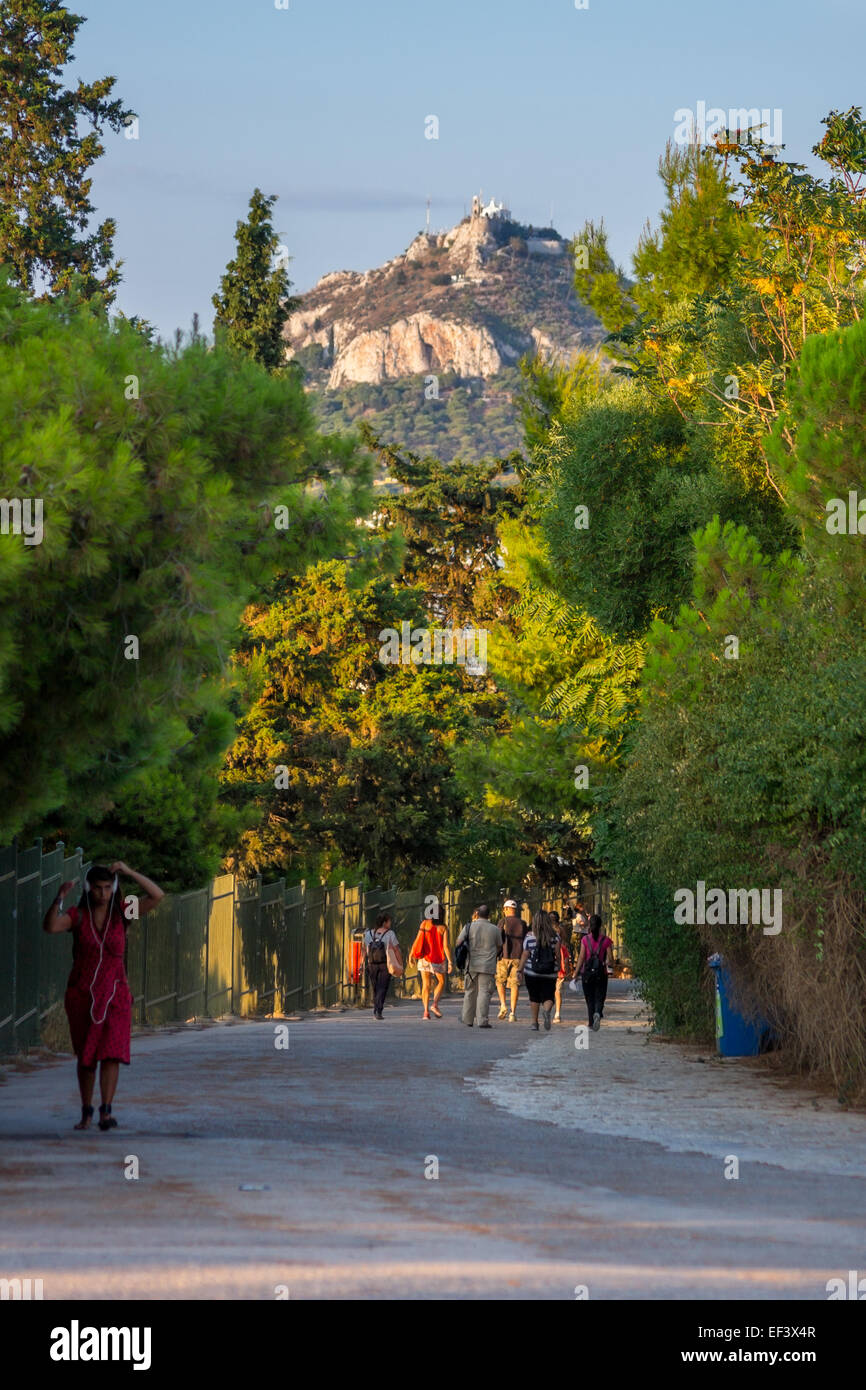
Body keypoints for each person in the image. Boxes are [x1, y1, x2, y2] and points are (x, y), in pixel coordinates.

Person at [42, 860, 164, 1131]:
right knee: (87, 1056)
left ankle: (106, 1111)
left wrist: (131, 872)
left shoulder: (122, 913)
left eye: (108, 888)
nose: (103, 894)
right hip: (83, 994)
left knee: (111, 1053)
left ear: (114, 888)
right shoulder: (78, 916)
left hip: (116, 993)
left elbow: (156, 896)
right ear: (88, 888)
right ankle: (86, 1111)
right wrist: (59, 898)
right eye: (97, 888)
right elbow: (50, 926)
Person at [456, 904, 502, 1028]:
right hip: (487, 965)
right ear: (489, 915)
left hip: (471, 964)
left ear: (477, 914)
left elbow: (458, 942)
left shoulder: (468, 927)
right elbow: (499, 946)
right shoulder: (495, 929)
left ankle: (467, 1019)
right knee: (484, 992)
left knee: (470, 991)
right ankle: (482, 1020)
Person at [518, 910, 560, 1031]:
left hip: (532, 972)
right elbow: (557, 954)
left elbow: (525, 954)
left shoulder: (529, 936)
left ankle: (534, 1023)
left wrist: (519, 970)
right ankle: (546, 1011)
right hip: (550, 971)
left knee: (534, 997)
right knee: (549, 995)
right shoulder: (555, 936)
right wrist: (561, 967)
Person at [574, 913, 614, 1031]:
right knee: (600, 996)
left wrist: (575, 973)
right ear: (601, 926)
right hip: (601, 973)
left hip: (587, 973)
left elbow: (581, 958)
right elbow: (610, 959)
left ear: (589, 926)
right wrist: (609, 964)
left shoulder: (585, 940)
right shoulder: (606, 940)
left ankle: (591, 1022)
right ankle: (598, 1012)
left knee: (589, 998)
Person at [409, 911, 452, 1020]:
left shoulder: (424, 924)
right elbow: (446, 946)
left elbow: (418, 939)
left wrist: (411, 954)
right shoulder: (443, 928)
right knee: (441, 982)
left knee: (426, 984)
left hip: (425, 958)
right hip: (438, 959)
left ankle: (426, 1012)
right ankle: (435, 1004)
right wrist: (450, 961)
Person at [364, 911, 401, 1020]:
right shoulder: (390, 934)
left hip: (371, 964)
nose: (390, 924)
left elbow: (364, 950)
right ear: (384, 923)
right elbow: (396, 949)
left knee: (376, 987)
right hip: (386, 964)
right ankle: (378, 1010)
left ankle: (377, 1008)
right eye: (389, 922)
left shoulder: (368, 934)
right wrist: (400, 962)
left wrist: (362, 964)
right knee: (382, 987)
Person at [495, 897, 527, 1021]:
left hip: (504, 957)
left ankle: (503, 1004)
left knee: (500, 982)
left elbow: (498, 940)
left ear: (507, 909)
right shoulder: (523, 923)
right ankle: (513, 1013)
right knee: (514, 985)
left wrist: (496, 954)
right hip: (518, 958)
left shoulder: (503, 922)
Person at [550, 910, 572, 1024]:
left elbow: (565, 954)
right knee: (552, 991)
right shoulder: (546, 931)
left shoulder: (560, 931)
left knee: (557, 991)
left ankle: (557, 1013)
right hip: (549, 966)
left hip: (557, 969)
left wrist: (567, 970)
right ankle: (554, 1012)